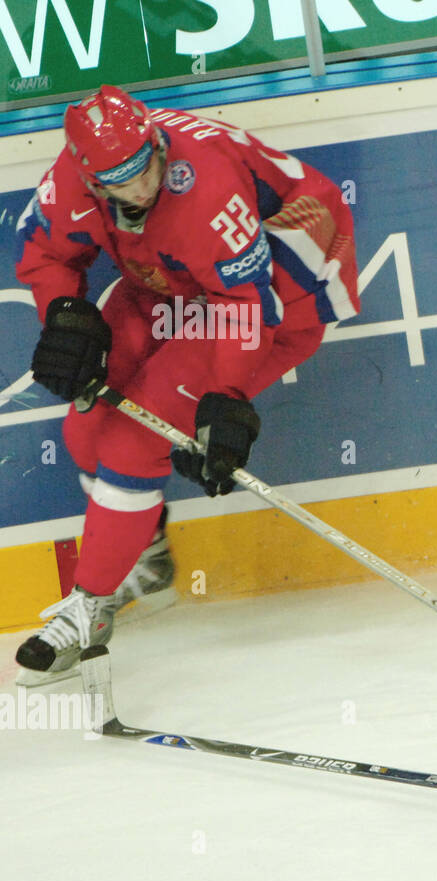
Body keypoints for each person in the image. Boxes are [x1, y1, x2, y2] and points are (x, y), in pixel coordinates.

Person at [13, 85, 360, 686]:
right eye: (121, 179)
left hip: (278, 292)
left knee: (131, 444)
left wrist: (225, 398)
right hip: (170, 285)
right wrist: (65, 312)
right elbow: (45, 254)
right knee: (86, 427)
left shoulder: (204, 192)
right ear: (91, 180)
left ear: (155, 141)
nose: (143, 185)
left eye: (146, 164)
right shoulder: (71, 179)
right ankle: (143, 564)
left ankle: (90, 607)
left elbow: (246, 305)